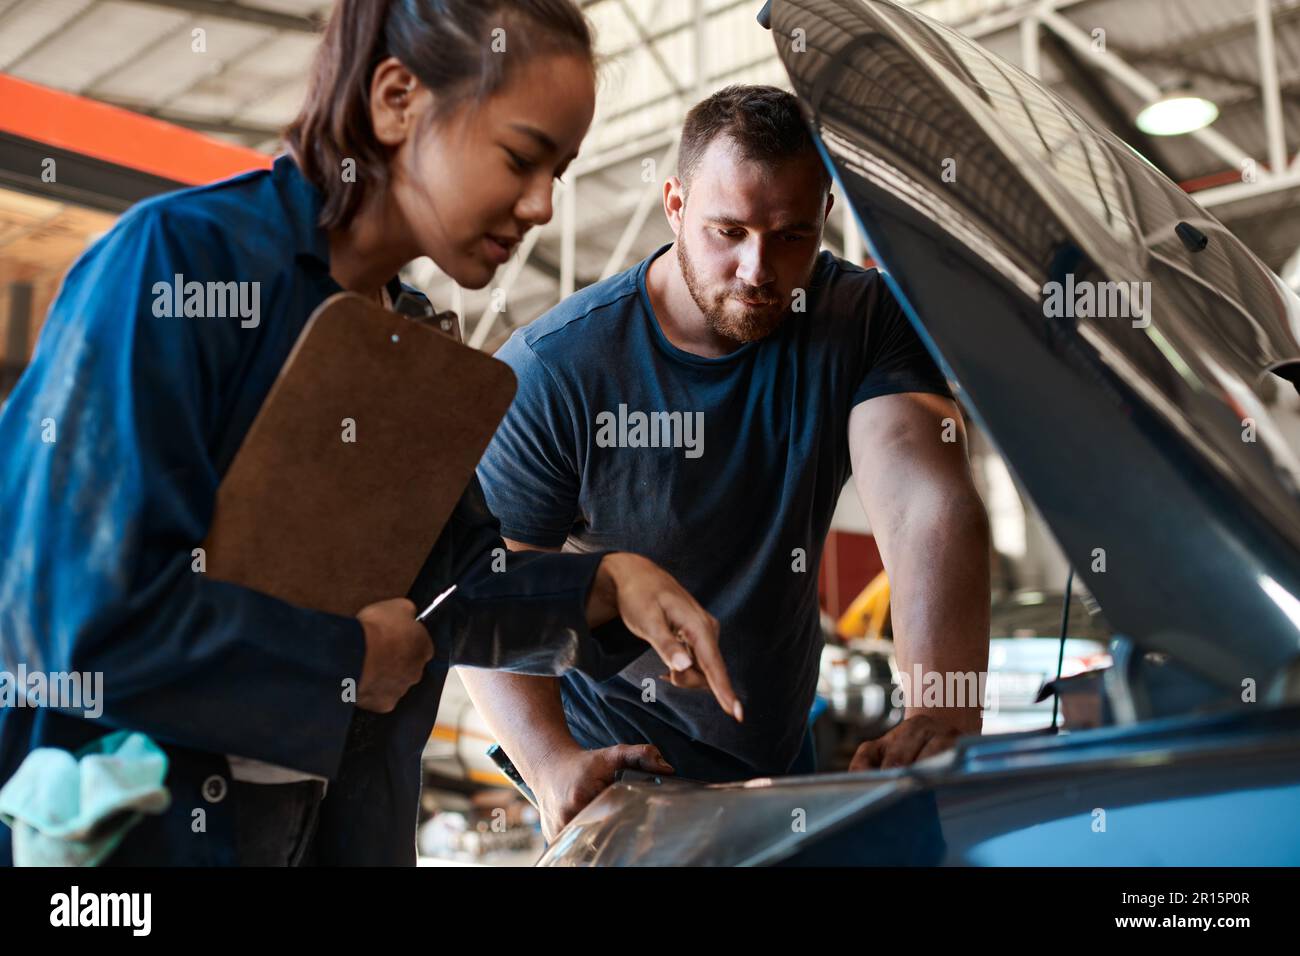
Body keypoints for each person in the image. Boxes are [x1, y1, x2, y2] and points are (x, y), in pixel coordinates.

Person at [0, 0, 738, 867]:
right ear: (397, 99)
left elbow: (448, 590)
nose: (541, 205)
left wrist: (603, 588)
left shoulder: (417, 339)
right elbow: (71, 621)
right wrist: (342, 659)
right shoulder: (175, 270)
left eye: (561, 172)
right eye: (520, 157)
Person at [467, 85, 992, 840]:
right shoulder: (560, 371)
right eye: (728, 231)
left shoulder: (860, 320)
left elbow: (926, 506)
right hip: (618, 761)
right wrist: (550, 762)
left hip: (779, 748)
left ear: (824, 217)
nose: (758, 268)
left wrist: (939, 707)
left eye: (790, 236)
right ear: (675, 203)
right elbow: (486, 587)